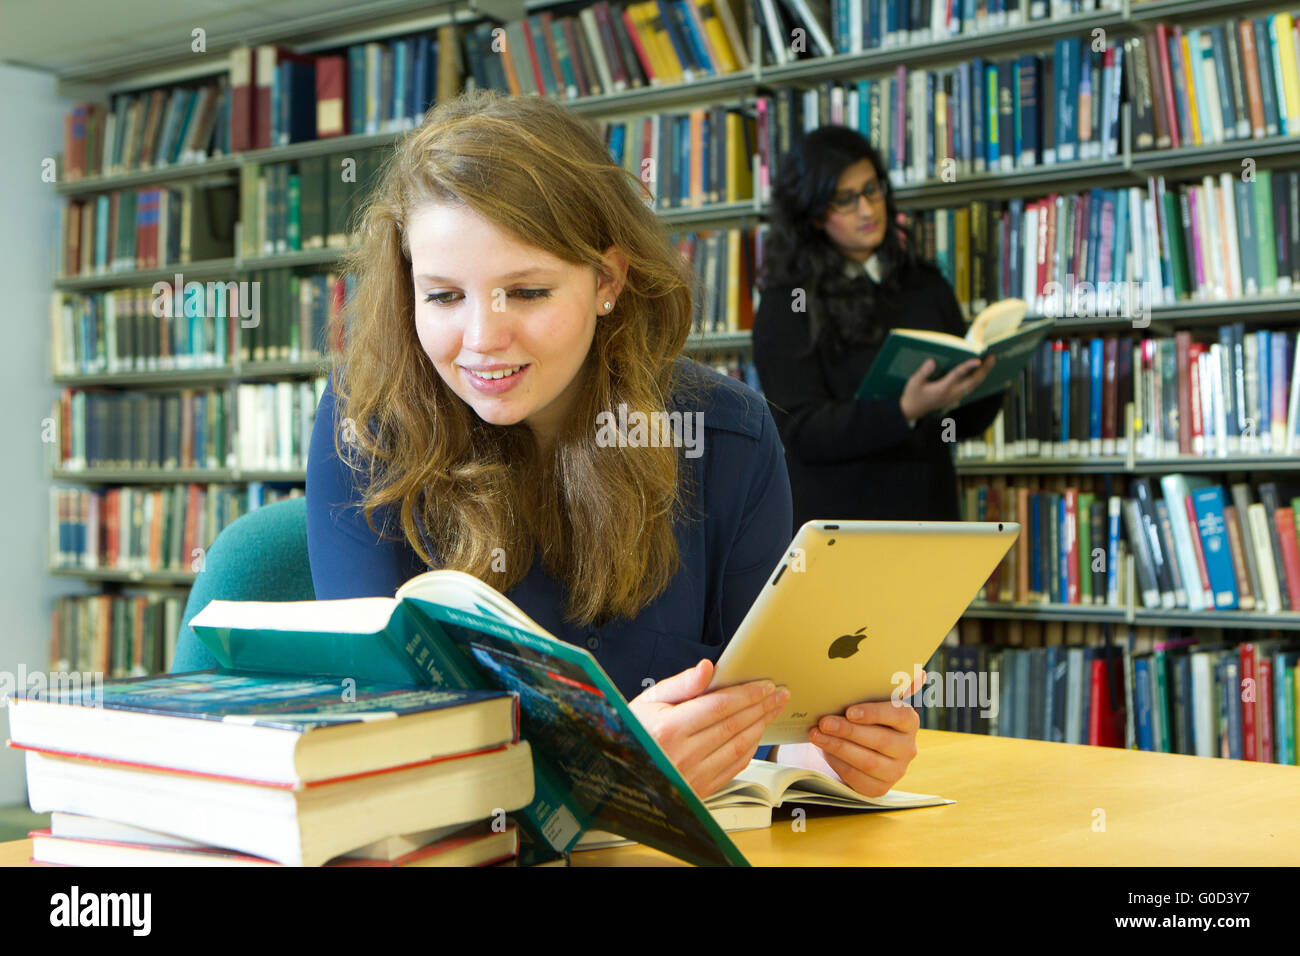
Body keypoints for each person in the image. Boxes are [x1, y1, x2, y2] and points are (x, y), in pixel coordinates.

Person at [173, 92, 920, 799]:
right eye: (442, 295)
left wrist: (818, 747)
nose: (481, 341)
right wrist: (602, 767)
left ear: (607, 279)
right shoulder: (366, 425)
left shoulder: (728, 436)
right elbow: (383, 734)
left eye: (527, 293)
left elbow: (760, 709)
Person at [752, 126, 1006, 533]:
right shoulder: (788, 303)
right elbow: (802, 431)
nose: (868, 210)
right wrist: (903, 411)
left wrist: (986, 380)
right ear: (814, 213)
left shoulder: (925, 283)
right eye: (845, 200)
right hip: (842, 529)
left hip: (931, 519)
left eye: (873, 190)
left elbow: (963, 425)